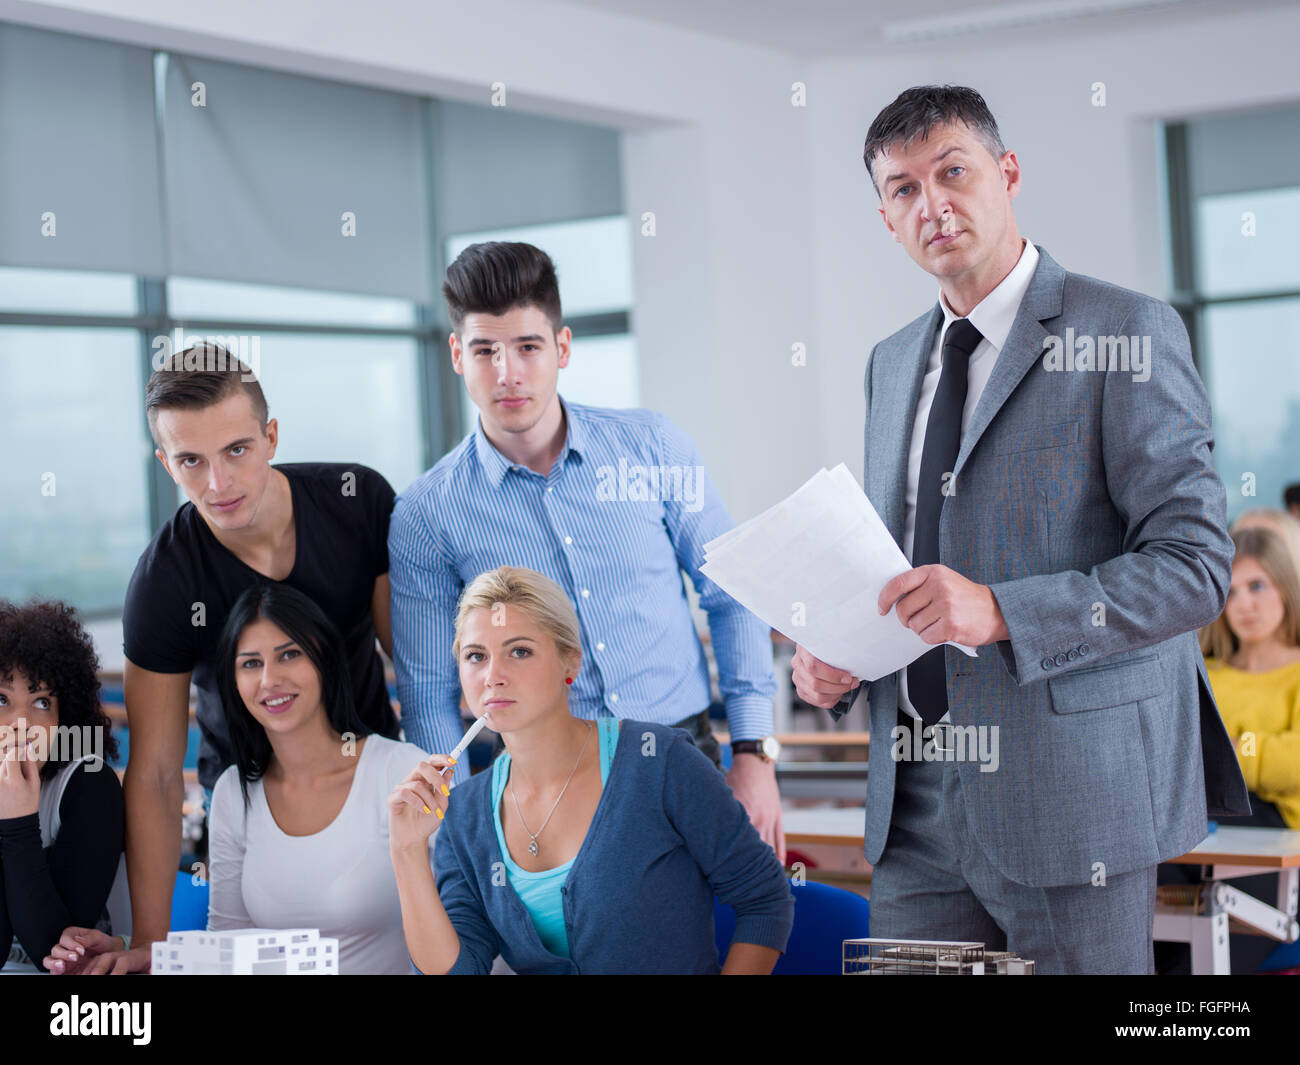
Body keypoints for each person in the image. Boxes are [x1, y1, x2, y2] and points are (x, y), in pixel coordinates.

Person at [791, 84, 1247, 974]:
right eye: (903, 189)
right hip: (914, 797)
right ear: (886, 219)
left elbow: (1195, 568)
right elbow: (903, 565)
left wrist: (1001, 610)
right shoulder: (890, 363)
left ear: (1007, 173)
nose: (934, 204)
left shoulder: (1125, 330)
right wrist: (842, 653)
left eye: (952, 172)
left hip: (1073, 793)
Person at [388, 242, 785, 860]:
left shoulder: (652, 448)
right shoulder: (426, 512)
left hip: (682, 754)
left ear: (563, 348)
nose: (507, 373)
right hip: (534, 780)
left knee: (704, 949)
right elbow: (430, 690)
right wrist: (460, 829)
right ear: (458, 356)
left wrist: (754, 754)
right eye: (486, 351)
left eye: (527, 347)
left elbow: (731, 593)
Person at [94, 344, 402, 974]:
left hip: (374, 780)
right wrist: (151, 941)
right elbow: (152, 772)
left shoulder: (357, 502)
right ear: (166, 463)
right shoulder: (164, 581)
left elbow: (420, 669)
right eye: (190, 461)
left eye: (236, 450)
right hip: (248, 804)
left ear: (271, 437)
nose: (218, 484)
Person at [389, 566, 793, 974]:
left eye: (520, 651)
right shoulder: (464, 816)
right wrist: (407, 851)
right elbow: (458, 970)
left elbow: (764, 900)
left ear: (571, 664)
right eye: (476, 656)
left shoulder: (660, 762)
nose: (493, 676)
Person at [204, 583, 430, 974]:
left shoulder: (400, 771)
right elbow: (227, 941)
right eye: (251, 663)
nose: (269, 679)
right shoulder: (232, 793)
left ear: (323, 659)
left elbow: (466, 926)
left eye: (289, 655)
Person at [1161, 526, 1300, 973]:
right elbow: (1173, 754)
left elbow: (1293, 764)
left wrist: (1227, 752)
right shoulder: (1206, 672)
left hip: (1279, 846)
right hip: (1198, 830)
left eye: (1257, 586)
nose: (1244, 605)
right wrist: (1248, 752)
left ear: (1285, 585)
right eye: (1231, 592)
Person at [0, 600, 124, 975]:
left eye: (41, 702)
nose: (21, 722)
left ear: (64, 718)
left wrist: (17, 822)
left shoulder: (88, 785)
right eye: (1, 699)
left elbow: (50, 952)